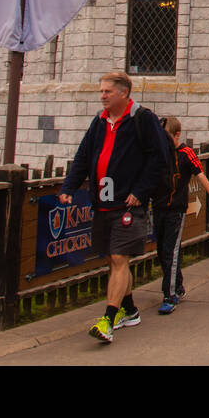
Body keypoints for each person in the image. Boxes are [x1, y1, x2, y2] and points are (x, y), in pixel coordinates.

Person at [60, 71, 171, 343]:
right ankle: (130, 309)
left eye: (107, 91)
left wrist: (140, 191)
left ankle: (108, 319)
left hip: (128, 203)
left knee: (120, 258)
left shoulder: (142, 119)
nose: (102, 96)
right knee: (111, 258)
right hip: (102, 201)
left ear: (123, 93)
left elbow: (160, 158)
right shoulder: (99, 122)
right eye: (101, 91)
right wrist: (68, 188)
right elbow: (84, 156)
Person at [153, 116, 209, 314]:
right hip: (158, 208)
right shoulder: (157, 153)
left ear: (176, 135)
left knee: (171, 251)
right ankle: (178, 285)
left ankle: (169, 295)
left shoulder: (185, 153)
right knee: (161, 251)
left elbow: (201, 175)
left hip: (176, 210)